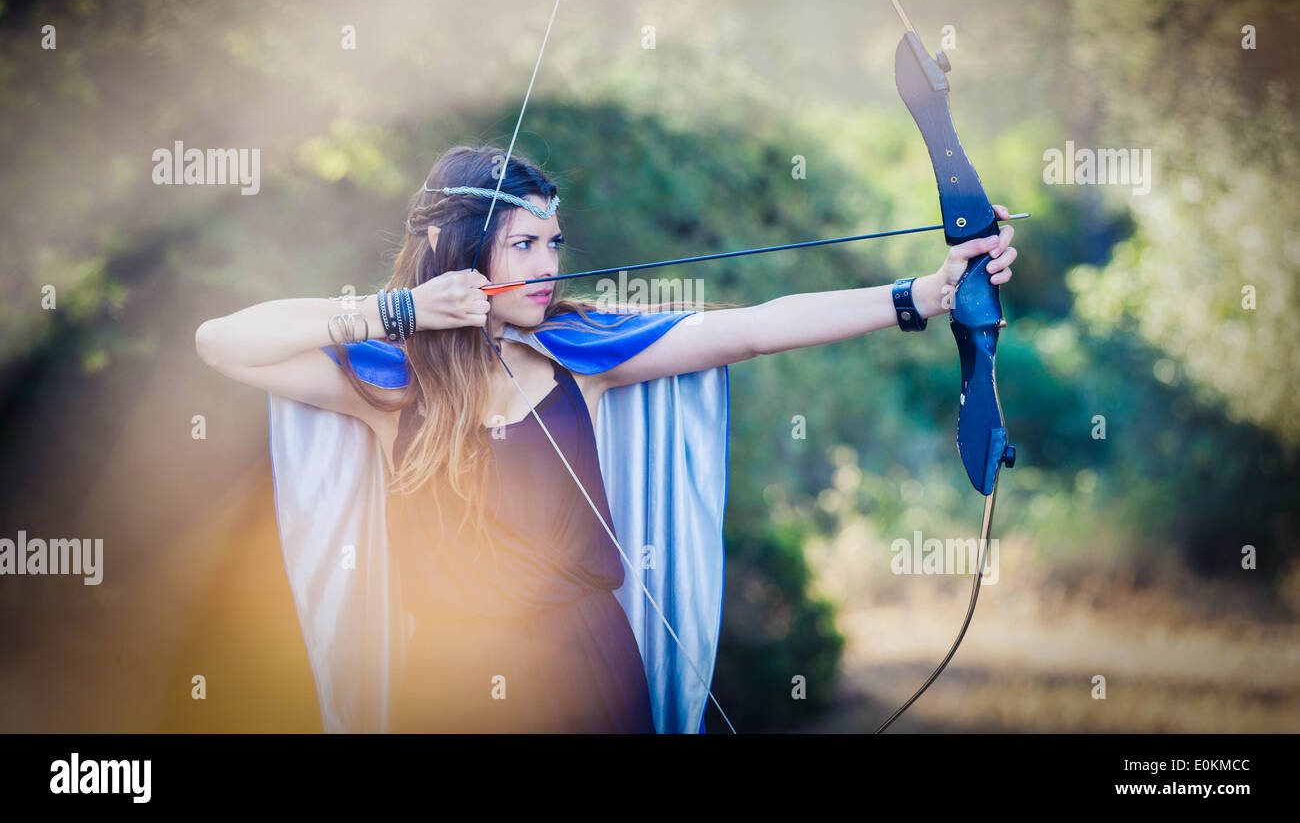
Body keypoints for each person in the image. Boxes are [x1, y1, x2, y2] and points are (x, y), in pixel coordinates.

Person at [194, 144, 1019, 733]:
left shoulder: (576, 353)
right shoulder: (390, 384)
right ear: (460, 253)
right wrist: (397, 312)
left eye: (553, 242)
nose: (549, 262)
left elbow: (757, 329)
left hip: (585, 664)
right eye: (524, 243)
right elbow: (221, 342)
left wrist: (926, 293)